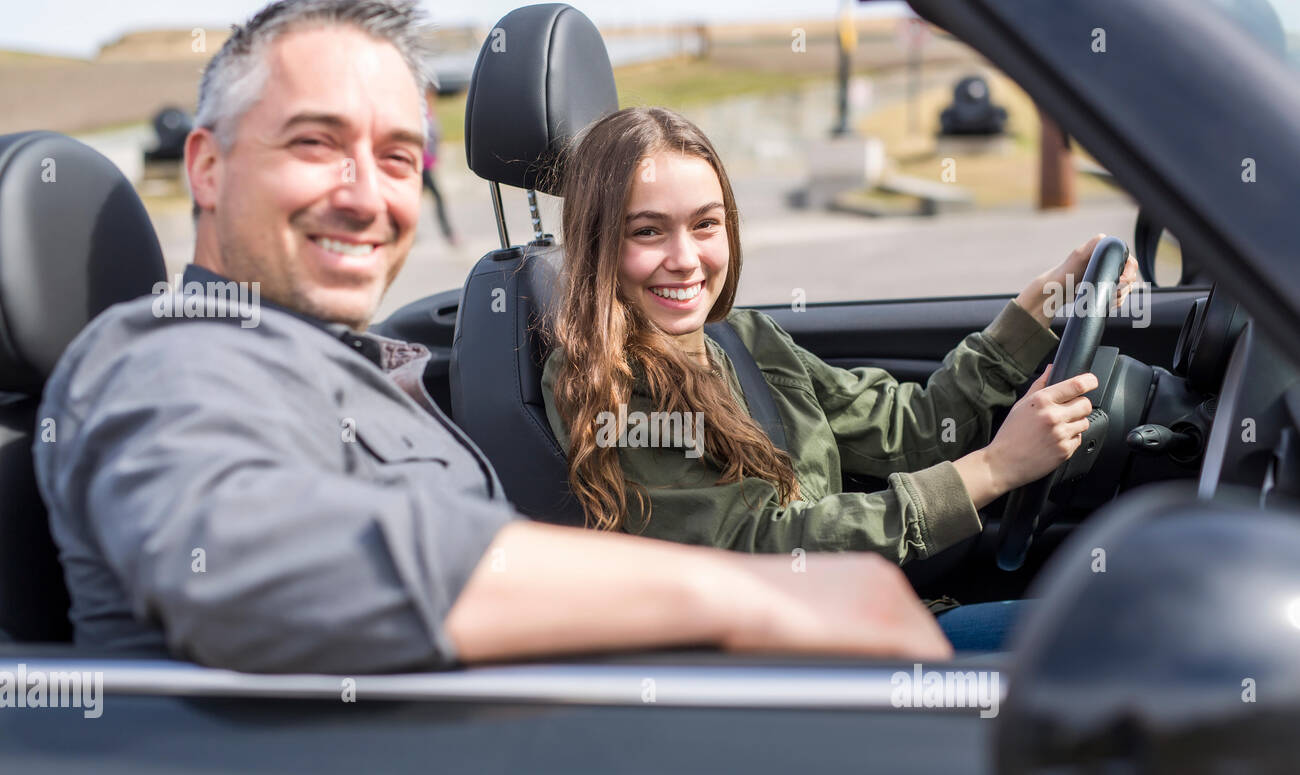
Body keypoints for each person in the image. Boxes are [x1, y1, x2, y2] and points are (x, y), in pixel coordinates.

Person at [32, 0, 951, 673]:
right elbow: (246, 568)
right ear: (206, 165)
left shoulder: (362, 370)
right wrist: (749, 591)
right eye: (315, 143)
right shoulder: (169, 354)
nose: (366, 194)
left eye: (398, 157)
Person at [541, 107, 1140, 650]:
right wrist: (995, 470)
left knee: (1126, 618)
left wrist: (1041, 305)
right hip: (803, 663)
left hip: (863, 619)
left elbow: (912, 429)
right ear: (598, 244)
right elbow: (757, 549)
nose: (686, 258)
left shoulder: (743, 339)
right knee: (1127, 639)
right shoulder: (606, 386)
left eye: (705, 224)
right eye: (648, 231)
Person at [420, 81, 457, 246]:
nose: (432, 97)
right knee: (437, 198)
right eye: (430, 94)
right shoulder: (422, 114)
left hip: (427, 164)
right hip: (422, 166)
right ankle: (448, 234)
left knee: (417, 199)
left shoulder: (429, 112)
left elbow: (436, 138)